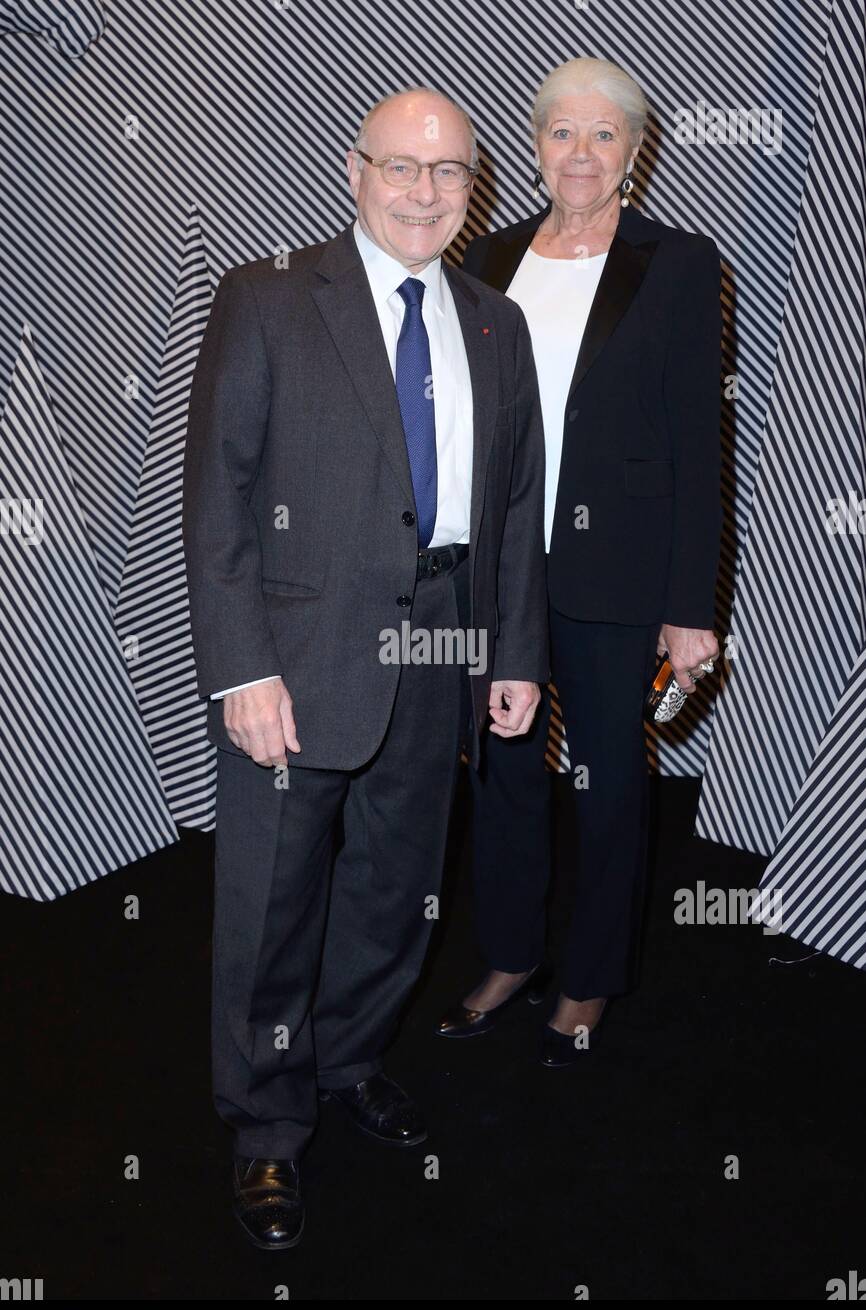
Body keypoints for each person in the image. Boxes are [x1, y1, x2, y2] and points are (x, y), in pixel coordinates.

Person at [182, 88, 548, 1248]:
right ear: (355, 170)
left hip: (438, 643)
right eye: (401, 166)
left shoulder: (497, 324)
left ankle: (343, 1060)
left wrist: (512, 654)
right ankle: (268, 1126)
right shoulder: (270, 297)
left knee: (395, 894)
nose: (424, 191)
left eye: (448, 172)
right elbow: (216, 495)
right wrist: (240, 667)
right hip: (294, 656)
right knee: (272, 904)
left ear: (472, 184)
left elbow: (514, 506)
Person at [436, 57, 722, 1065]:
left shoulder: (678, 263)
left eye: (604, 134)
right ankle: (511, 952)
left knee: (605, 780)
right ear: (534, 145)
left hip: (619, 570)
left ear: (633, 151)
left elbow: (698, 439)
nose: (581, 153)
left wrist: (690, 607)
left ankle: (591, 975)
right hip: (504, 565)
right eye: (562, 132)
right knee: (503, 769)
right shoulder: (491, 253)